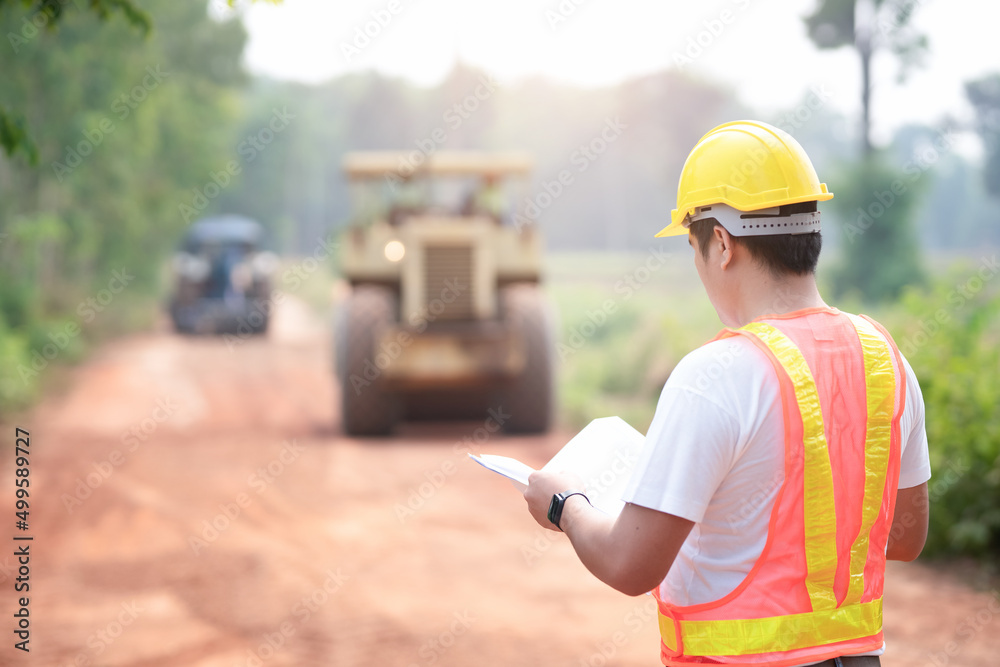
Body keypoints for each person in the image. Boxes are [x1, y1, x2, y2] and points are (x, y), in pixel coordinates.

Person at [523, 120, 930, 667]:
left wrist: (564, 503)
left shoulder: (714, 375)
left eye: (694, 249)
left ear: (720, 242)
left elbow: (629, 566)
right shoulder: (887, 359)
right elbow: (905, 537)